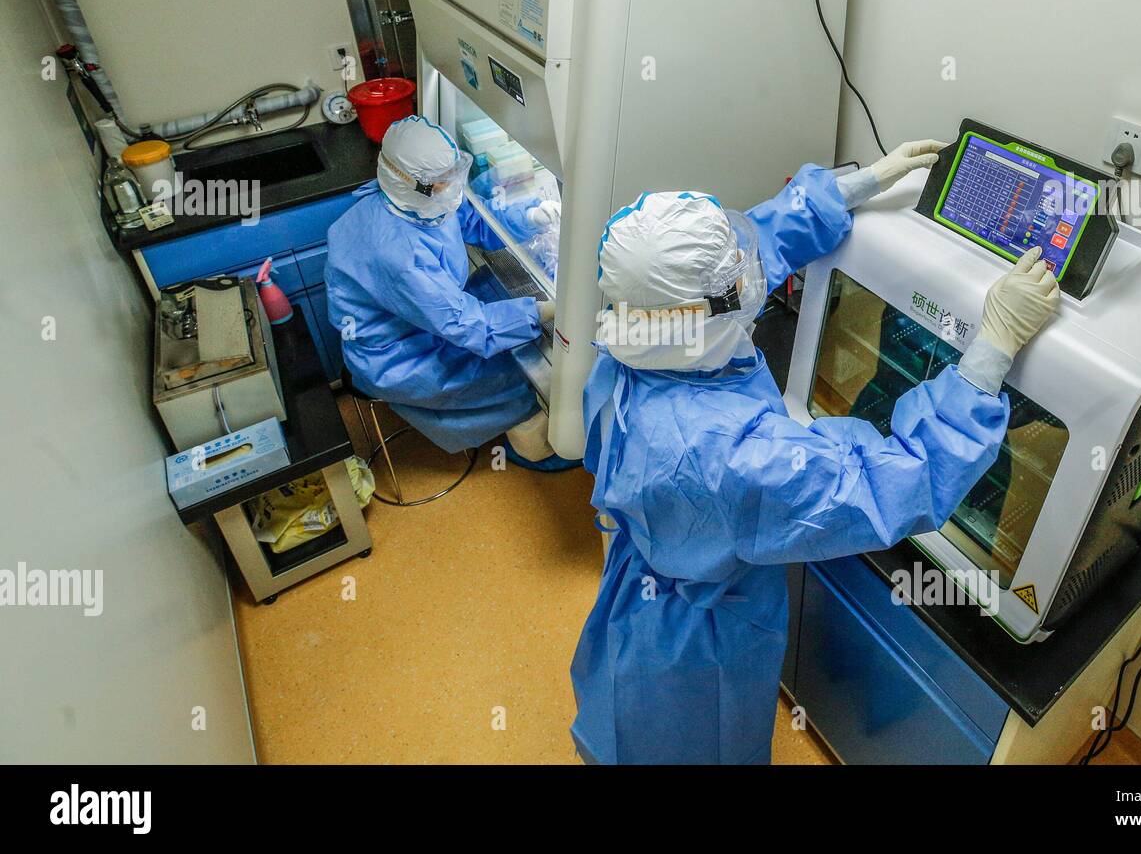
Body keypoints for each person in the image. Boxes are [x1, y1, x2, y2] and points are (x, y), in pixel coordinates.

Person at [570, 142, 1060, 764]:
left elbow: (736, 264)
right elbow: (898, 481)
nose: (754, 278)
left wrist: (849, 188)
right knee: (700, 743)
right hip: (701, 633)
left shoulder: (632, 334)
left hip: (641, 586)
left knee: (628, 719)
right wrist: (991, 350)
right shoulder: (733, 459)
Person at [325, 115, 567, 467]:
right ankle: (530, 444)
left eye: (453, 176)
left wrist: (529, 216)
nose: (449, 189)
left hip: (418, 320)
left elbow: (471, 219)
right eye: (438, 184)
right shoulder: (398, 255)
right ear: (405, 180)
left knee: (495, 291)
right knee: (519, 374)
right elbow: (466, 325)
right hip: (399, 357)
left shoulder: (419, 200)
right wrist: (540, 311)